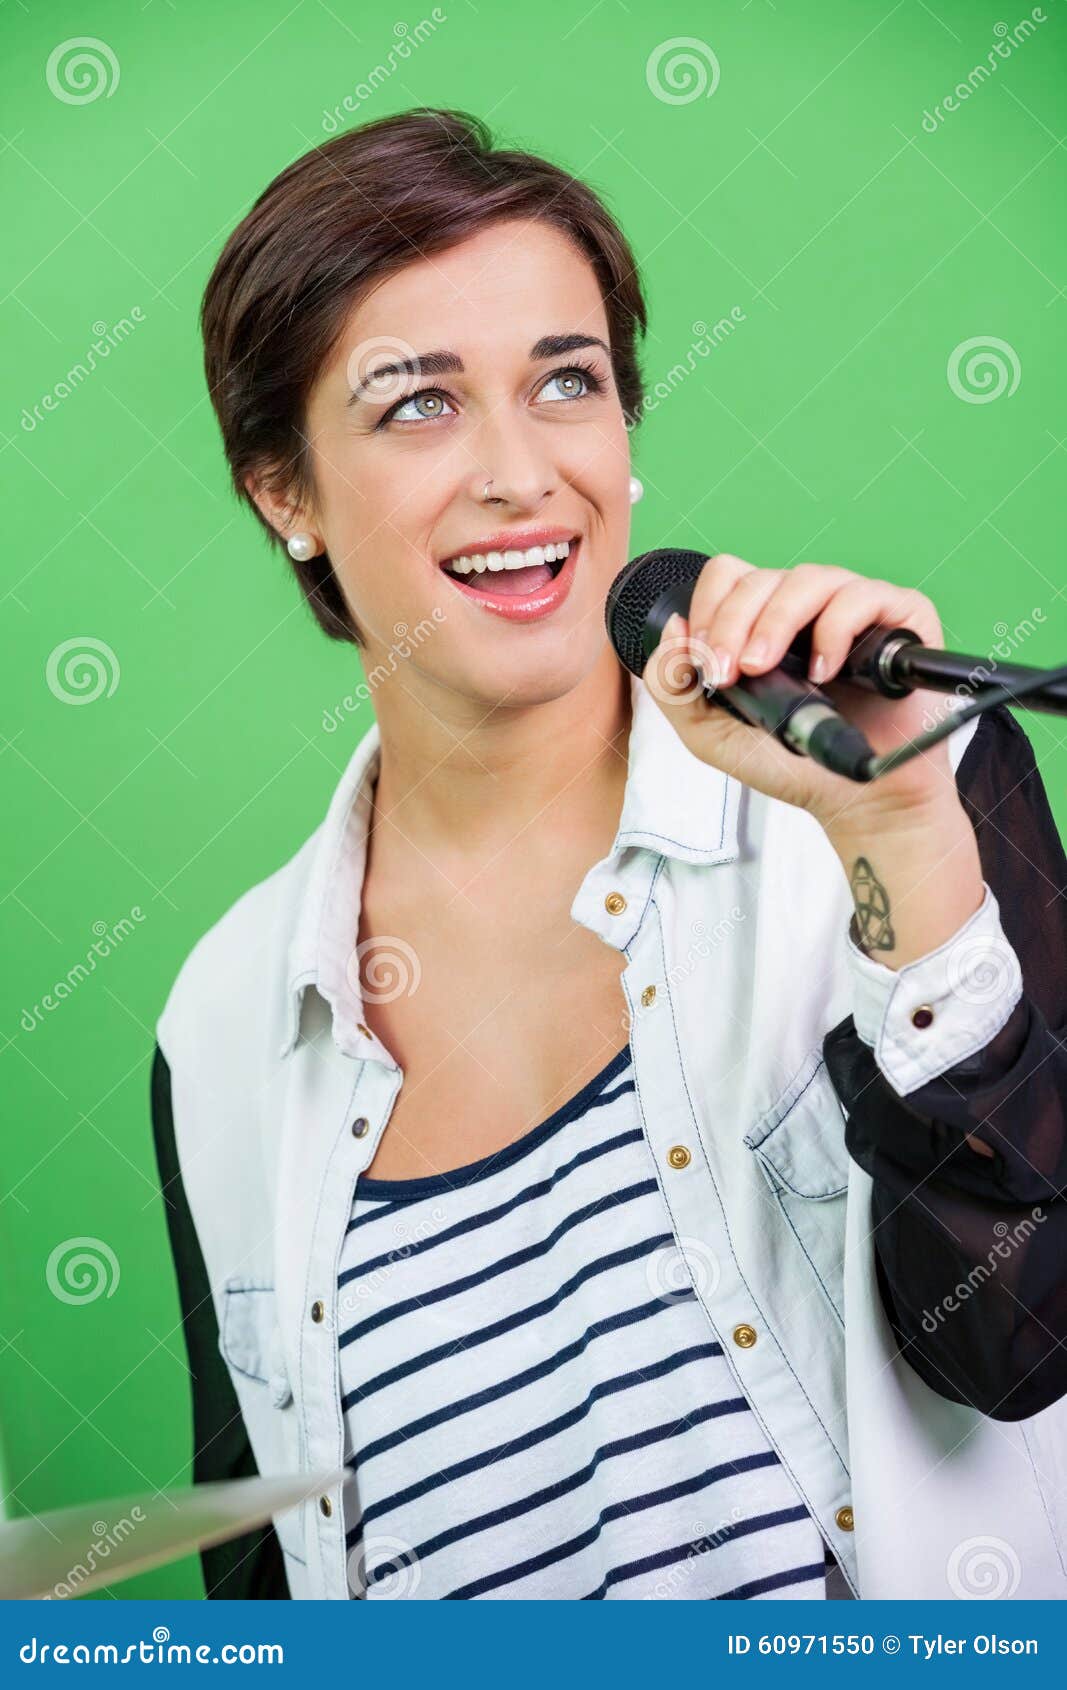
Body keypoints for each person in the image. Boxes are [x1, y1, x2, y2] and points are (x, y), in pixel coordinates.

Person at [151, 108, 1067, 1601]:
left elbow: (1021, 1342)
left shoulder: (918, 784)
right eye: (418, 405)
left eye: (565, 382)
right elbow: (263, 1579)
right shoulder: (218, 1023)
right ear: (284, 490)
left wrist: (892, 836)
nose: (520, 473)